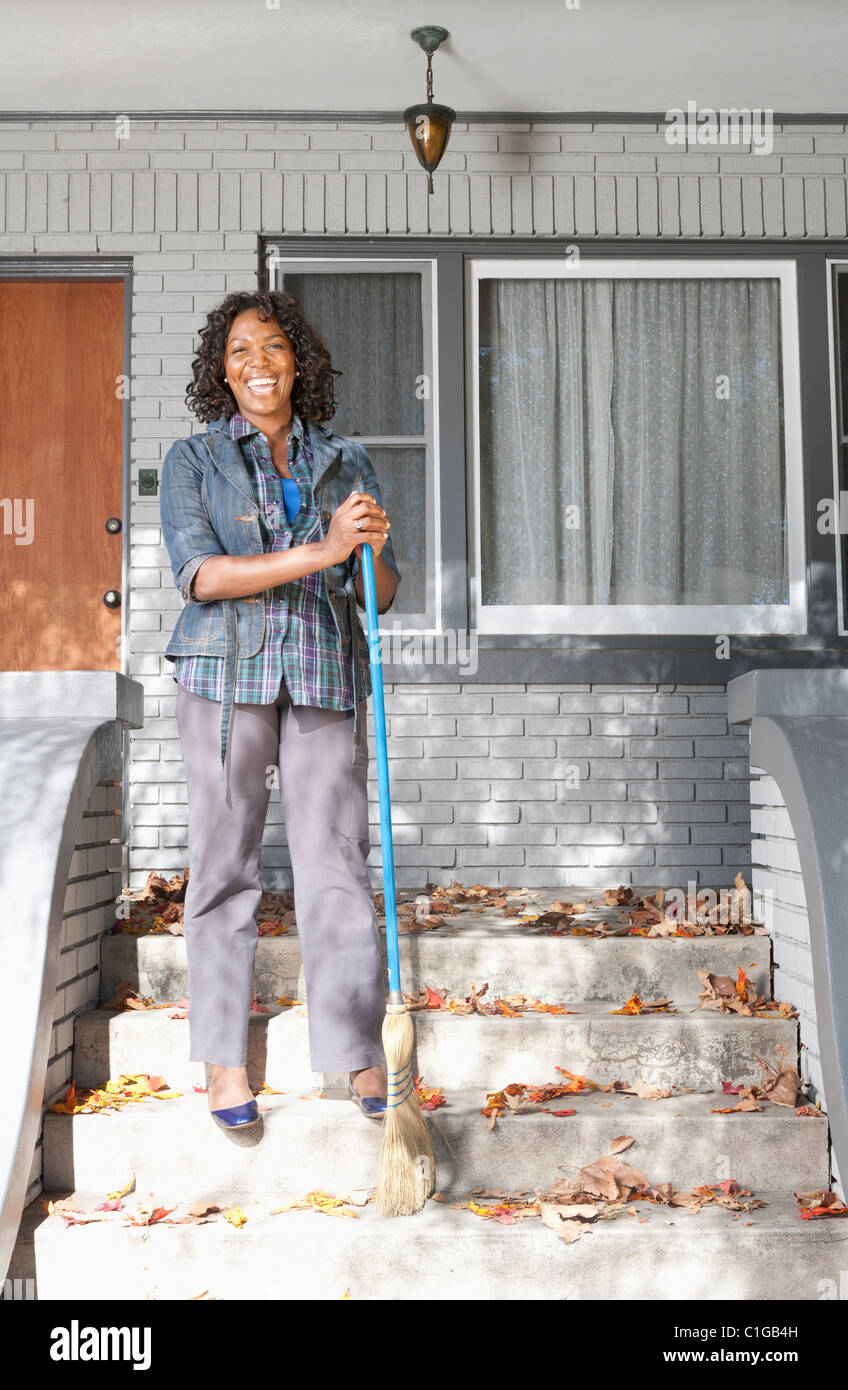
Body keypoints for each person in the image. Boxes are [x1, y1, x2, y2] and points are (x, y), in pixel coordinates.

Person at [159, 289, 402, 1131]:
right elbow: (204, 576)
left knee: (336, 863)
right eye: (238, 352)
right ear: (220, 373)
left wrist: (369, 547)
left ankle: (357, 1046)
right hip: (222, 678)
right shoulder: (195, 461)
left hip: (326, 671)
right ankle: (225, 1059)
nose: (256, 362)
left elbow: (380, 593)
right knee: (225, 866)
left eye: (271, 346)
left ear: (299, 359)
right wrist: (322, 549)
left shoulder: (345, 460)